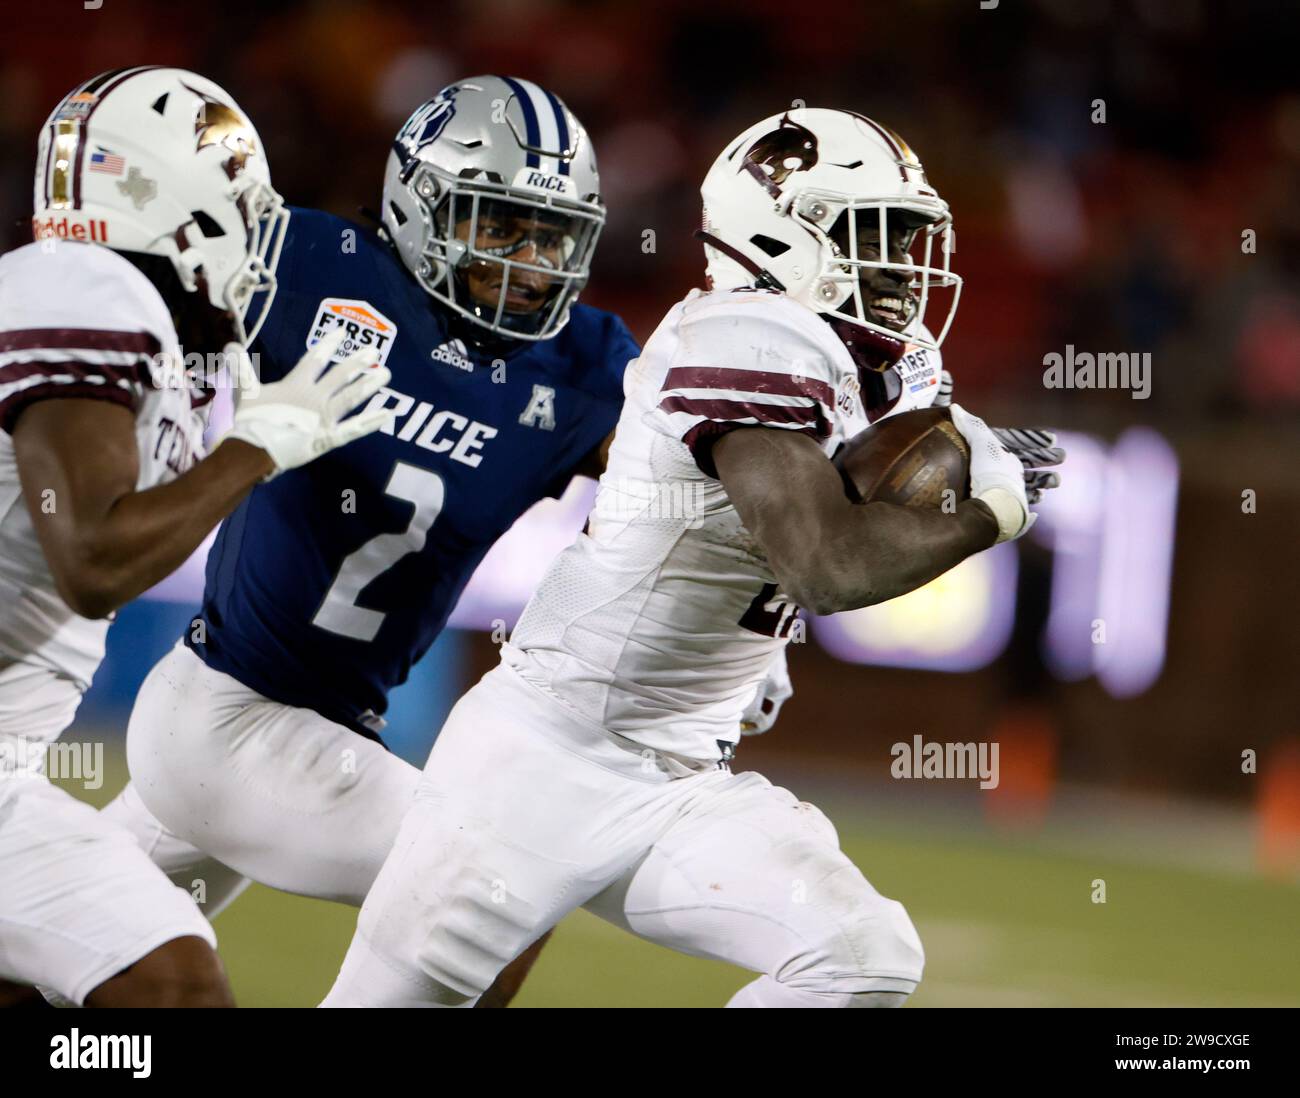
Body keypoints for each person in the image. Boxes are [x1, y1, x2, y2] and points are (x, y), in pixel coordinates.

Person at [322, 107, 1064, 1008]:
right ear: (783, 230)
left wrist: (754, 654)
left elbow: (799, 519)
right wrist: (988, 512)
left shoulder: (881, 363)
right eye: (881, 232)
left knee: (864, 955)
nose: (905, 263)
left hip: (678, 776)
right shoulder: (745, 337)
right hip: (543, 759)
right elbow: (826, 565)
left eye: (911, 237)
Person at [101, 76, 641, 1005]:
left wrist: (748, 629)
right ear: (419, 205)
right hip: (230, 711)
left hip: (302, 732)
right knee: (498, 895)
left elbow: (687, 488)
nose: (530, 262)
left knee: (63, 969)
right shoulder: (312, 263)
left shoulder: (582, 367)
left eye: (551, 237)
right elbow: (137, 286)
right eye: (500, 226)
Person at [0, 66, 389, 1007]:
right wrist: (256, 445)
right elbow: (92, 560)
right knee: (171, 986)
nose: (257, 234)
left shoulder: (145, 328)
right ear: (176, 201)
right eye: (242, 205)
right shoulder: (82, 285)